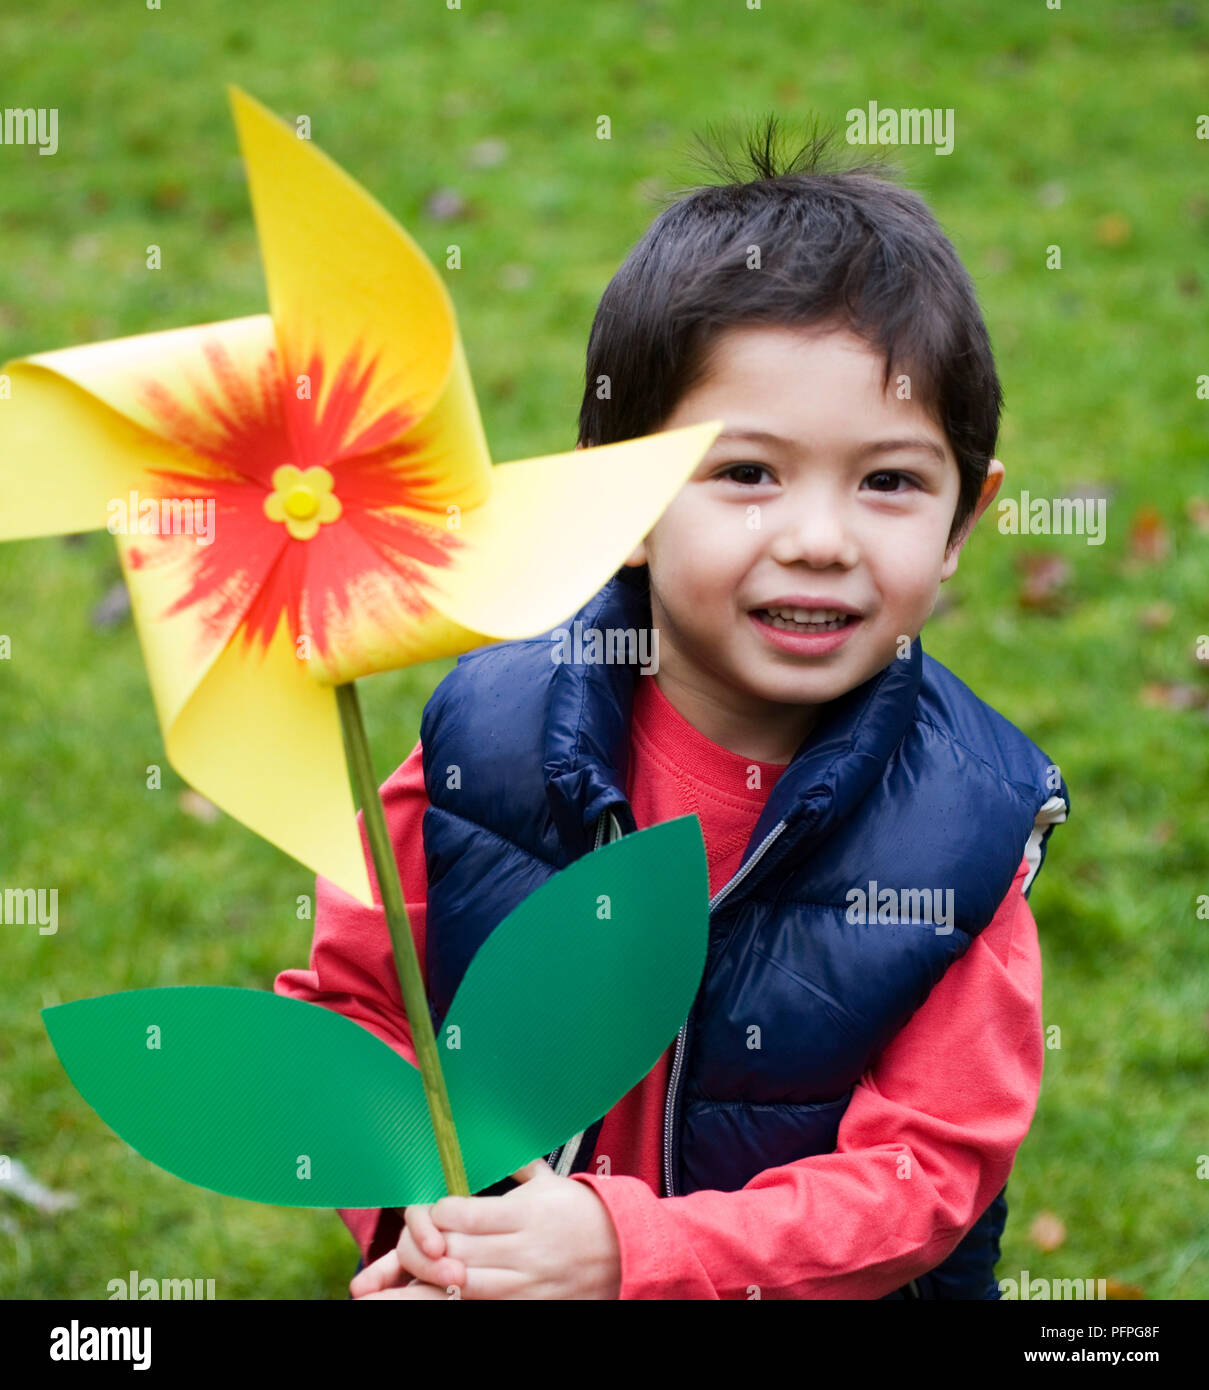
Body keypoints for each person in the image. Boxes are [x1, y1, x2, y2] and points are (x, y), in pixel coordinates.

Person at [275, 117, 1070, 1300]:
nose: (817, 539)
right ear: (627, 495)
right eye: (746, 473)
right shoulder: (483, 740)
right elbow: (354, 1012)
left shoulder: (964, 826)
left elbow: (926, 1173)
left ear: (965, 517)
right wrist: (422, 1218)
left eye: (890, 482)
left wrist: (631, 1254)